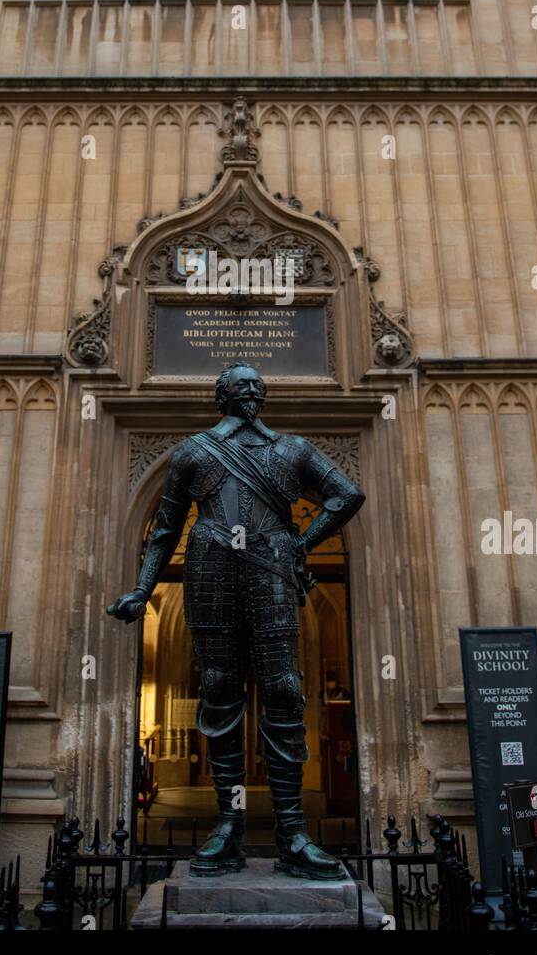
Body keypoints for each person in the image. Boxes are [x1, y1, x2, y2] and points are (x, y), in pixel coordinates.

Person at [107, 360, 365, 878]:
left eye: (256, 385)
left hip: (269, 563)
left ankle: (291, 830)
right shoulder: (193, 454)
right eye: (239, 385)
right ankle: (229, 823)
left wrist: (302, 542)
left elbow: (347, 493)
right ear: (221, 396)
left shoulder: (291, 449)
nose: (250, 392)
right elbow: (164, 529)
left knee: (284, 687)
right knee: (220, 686)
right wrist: (141, 589)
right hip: (210, 567)